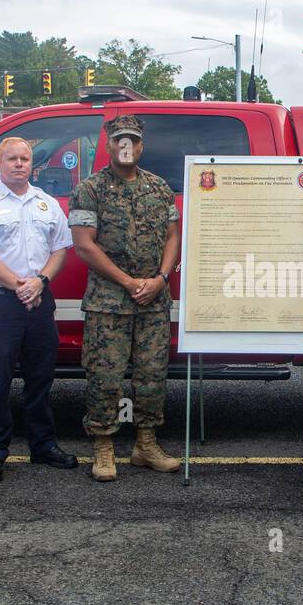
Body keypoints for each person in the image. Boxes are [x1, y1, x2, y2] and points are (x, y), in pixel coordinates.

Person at [68, 115, 181, 482]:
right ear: (110, 145)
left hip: (153, 300)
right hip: (108, 303)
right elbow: (84, 245)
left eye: (132, 139)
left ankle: (145, 445)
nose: (126, 145)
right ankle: (103, 447)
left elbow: (172, 236)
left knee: (151, 376)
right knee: (106, 377)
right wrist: (129, 282)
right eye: (120, 140)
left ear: (141, 146)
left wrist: (161, 279)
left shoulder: (160, 188)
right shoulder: (90, 189)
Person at [0, 137, 78, 483]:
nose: (19, 164)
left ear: (33, 165)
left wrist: (40, 281)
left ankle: (42, 444)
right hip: (1, 301)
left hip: (39, 301)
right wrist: (21, 285)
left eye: (25, 159)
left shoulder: (45, 203)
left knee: (41, 377)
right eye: (11, 159)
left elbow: (61, 249)